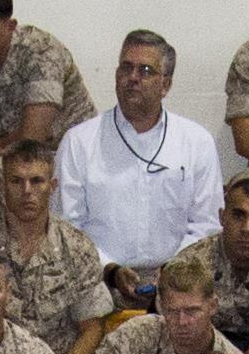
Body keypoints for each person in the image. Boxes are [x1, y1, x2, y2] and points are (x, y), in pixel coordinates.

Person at [53, 30, 228, 298]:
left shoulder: (196, 142)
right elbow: (68, 228)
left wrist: (172, 270)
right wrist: (109, 270)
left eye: (145, 70)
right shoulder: (79, 142)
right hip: (97, 280)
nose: (133, 78)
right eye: (126, 68)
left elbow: (207, 226)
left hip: (179, 282)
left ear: (166, 85)